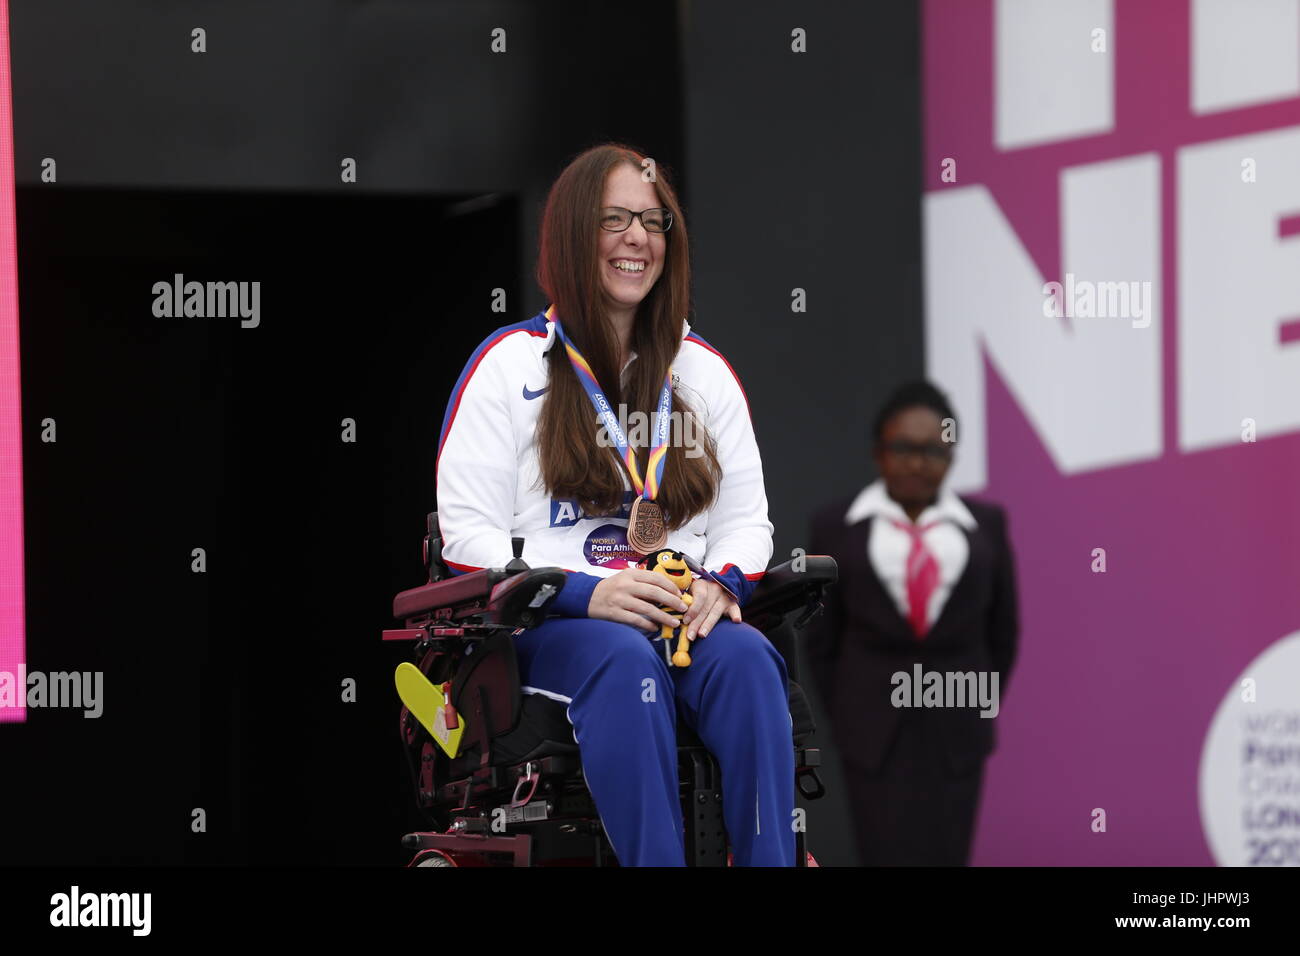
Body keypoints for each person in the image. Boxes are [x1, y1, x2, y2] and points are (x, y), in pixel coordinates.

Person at [433, 143, 795, 866]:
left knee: (751, 658)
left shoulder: (703, 373)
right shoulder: (508, 366)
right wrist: (585, 594)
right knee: (622, 660)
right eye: (615, 220)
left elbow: (747, 520)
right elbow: (465, 537)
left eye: (654, 220)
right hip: (547, 626)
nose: (639, 238)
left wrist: (723, 583)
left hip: (677, 610)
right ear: (572, 234)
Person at [804, 382, 1019, 865]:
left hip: (958, 726)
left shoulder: (987, 526)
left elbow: (1004, 633)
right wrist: (848, 714)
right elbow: (822, 640)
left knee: (949, 853)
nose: (918, 463)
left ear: (952, 456)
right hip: (872, 728)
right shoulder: (835, 526)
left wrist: (978, 704)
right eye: (903, 448)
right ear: (879, 452)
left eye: (934, 451)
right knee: (882, 852)